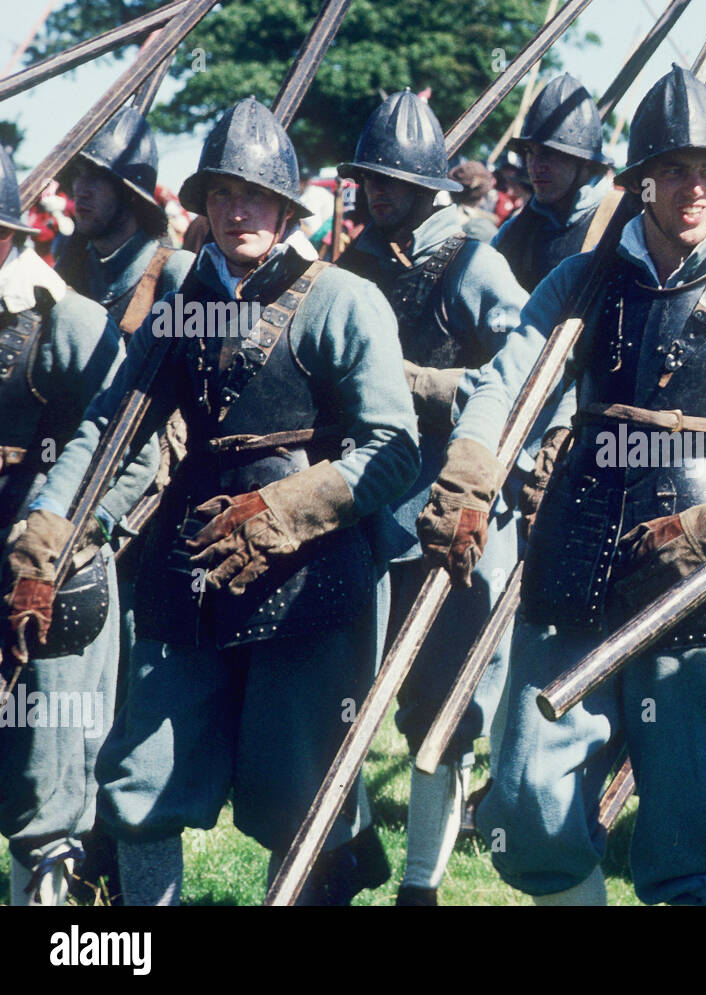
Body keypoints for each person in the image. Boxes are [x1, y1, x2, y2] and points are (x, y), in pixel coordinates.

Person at [419, 65, 706, 905]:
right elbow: (506, 383)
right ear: (642, 180)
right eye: (678, 169)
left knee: (693, 847)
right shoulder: (584, 281)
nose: (696, 189)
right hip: (581, 564)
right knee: (528, 810)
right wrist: (472, 469)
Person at [16, 97, 419, 906]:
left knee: (302, 798)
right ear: (203, 205)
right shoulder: (178, 305)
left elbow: (395, 449)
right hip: (189, 571)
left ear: (284, 206)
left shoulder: (342, 300)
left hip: (311, 582)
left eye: (256, 195)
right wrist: (48, 536)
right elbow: (111, 426)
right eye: (223, 194)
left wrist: (286, 512)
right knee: (139, 784)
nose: (239, 211)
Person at [336, 89, 527, 906]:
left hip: (451, 516)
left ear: (429, 183)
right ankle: (347, 855)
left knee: (436, 717)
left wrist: (409, 383)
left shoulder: (474, 264)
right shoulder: (352, 265)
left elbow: (520, 378)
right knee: (333, 702)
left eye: (393, 179)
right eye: (368, 178)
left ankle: (423, 884)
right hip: (363, 513)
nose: (379, 191)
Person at [0, 143, 156, 907]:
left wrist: (69, 540)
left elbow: (133, 452)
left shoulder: (70, 321)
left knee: (47, 780)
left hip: (55, 584)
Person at [56, 107, 193, 334]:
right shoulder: (71, 268)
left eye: (97, 177)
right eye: (78, 175)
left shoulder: (173, 274)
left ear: (130, 193)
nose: (80, 190)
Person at [493, 73, 612, 293]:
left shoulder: (622, 225)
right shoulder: (515, 230)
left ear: (584, 162)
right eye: (531, 152)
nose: (535, 166)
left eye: (549, 154)